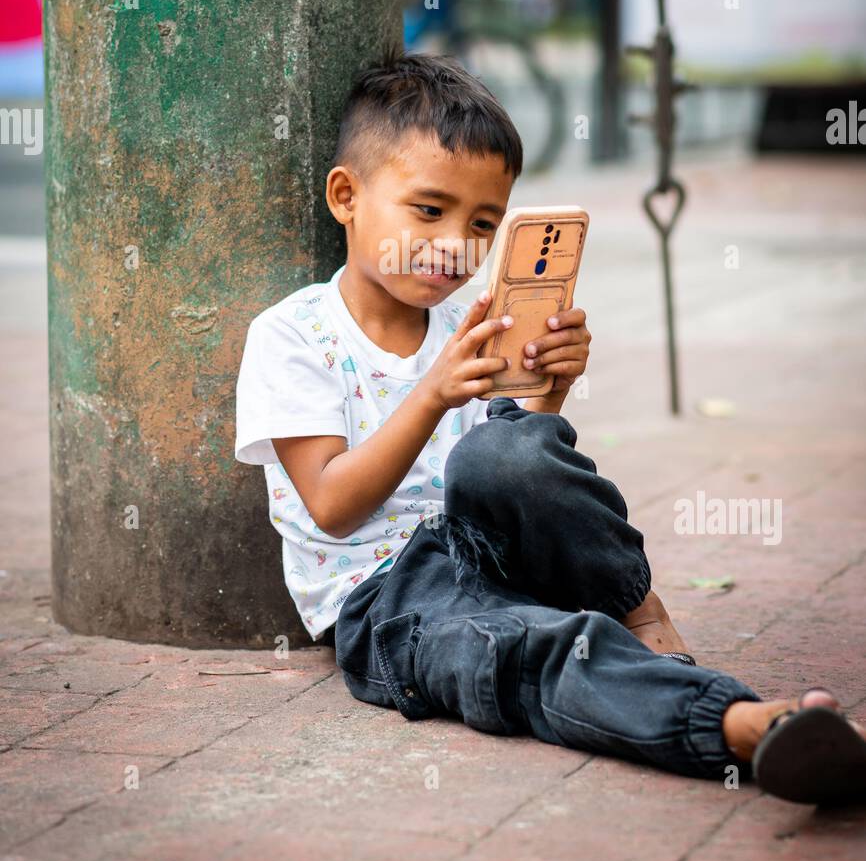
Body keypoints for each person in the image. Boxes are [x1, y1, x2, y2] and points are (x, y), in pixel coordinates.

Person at [235, 49, 866, 805]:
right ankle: (743, 724)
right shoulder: (294, 334)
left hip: (496, 555)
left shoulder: (465, 326)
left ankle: (638, 606)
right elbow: (332, 506)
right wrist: (431, 396)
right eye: (428, 211)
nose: (454, 245)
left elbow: (503, 474)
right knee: (537, 650)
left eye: (483, 224)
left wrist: (548, 394)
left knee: (507, 450)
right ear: (346, 195)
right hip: (391, 603)